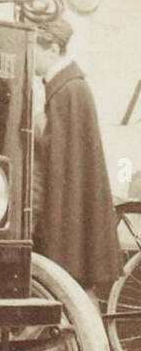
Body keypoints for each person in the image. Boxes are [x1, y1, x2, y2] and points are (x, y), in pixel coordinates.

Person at [32, 16, 121, 299]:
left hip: (67, 211)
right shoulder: (69, 87)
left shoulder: (67, 90)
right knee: (83, 293)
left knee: (76, 289)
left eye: (34, 47)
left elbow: (58, 161)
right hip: (75, 209)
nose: (30, 56)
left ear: (53, 49)